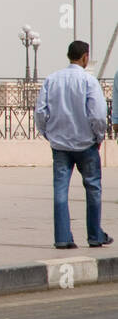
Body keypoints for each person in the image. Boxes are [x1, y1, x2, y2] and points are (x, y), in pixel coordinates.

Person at [34, 40, 113, 249]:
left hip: (60, 145)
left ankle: (62, 238)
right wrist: (99, 137)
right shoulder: (89, 81)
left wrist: (47, 134)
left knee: (60, 190)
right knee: (93, 188)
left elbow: (41, 112)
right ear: (85, 57)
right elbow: (97, 115)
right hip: (86, 144)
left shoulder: (52, 79)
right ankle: (95, 236)